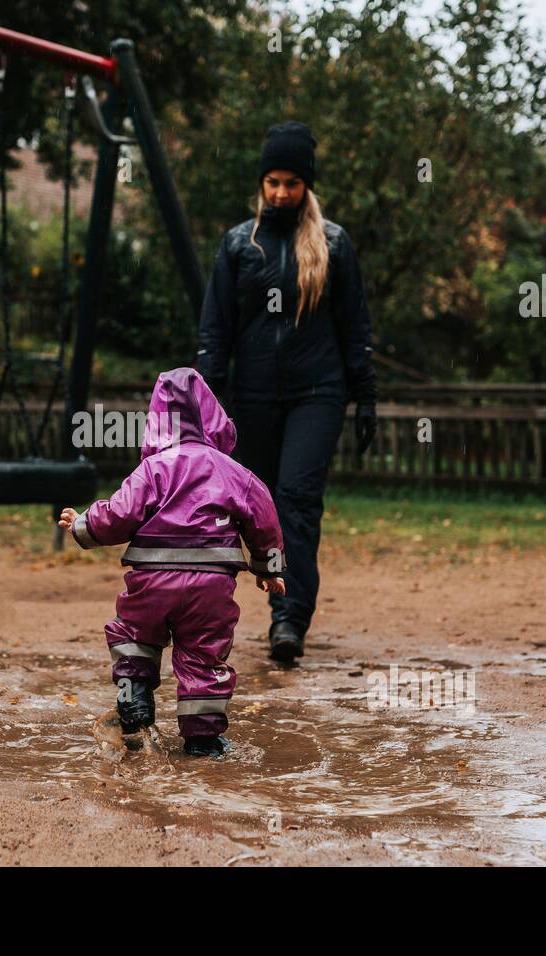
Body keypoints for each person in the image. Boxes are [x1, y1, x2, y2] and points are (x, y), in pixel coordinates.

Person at [197, 120, 378, 664]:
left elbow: (355, 326)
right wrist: (207, 395)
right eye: (273, 181)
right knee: (251, 508)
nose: (281, 192)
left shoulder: (335, 244)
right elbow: (215, 329)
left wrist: (364, 394)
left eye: (292, 183)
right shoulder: (236, 244)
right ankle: (217, 614)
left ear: (306, 187)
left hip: (316, 394)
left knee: (297, 502)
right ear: (262, 183)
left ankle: (289, 620)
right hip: (251, 396)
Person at [58, 368, 285, 758]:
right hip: (211, 588)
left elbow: (119, 514)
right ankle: (202, 739)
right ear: (214, 419)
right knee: (204, 654)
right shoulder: (233, 473)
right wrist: (268, 568)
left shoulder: (153, 469)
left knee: (134, 634)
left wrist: (83, 525)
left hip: (152, 580)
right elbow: (264, 518)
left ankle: (135, 699)